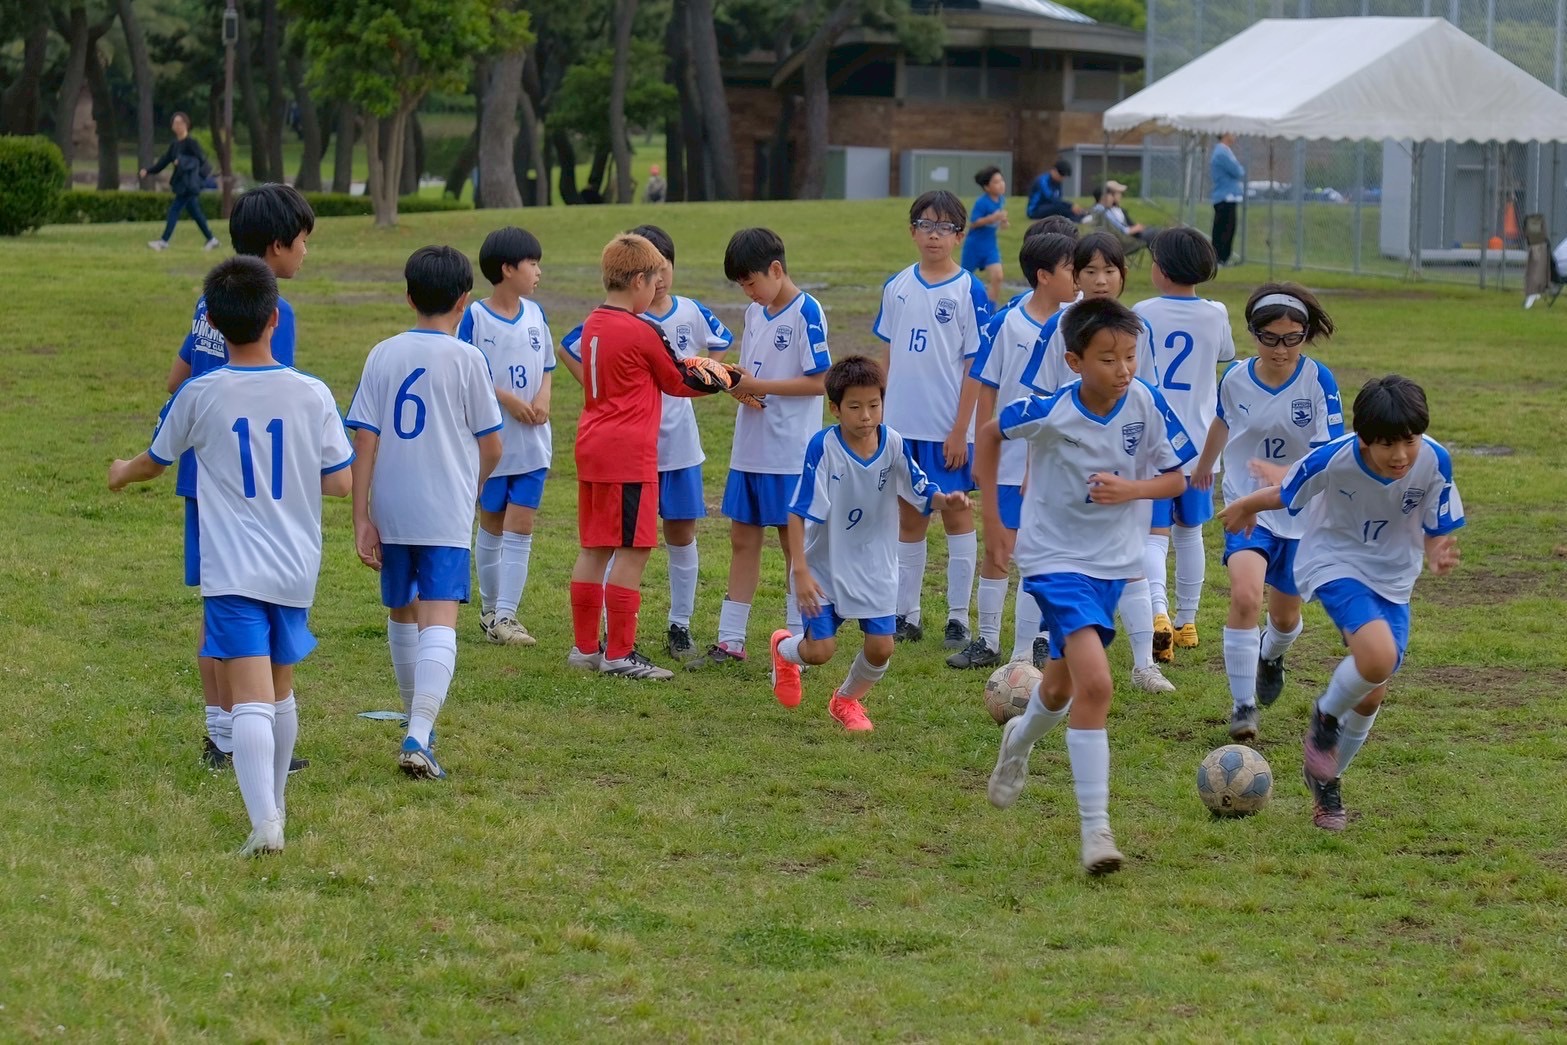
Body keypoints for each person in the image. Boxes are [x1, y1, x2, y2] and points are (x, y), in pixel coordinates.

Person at [108, 256, 354, 855]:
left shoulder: (200, 394)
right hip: (296, 565)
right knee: (280, 687)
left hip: (233, 568)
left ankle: (266, 825)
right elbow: (341, 481)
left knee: (248, 696)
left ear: (212, 326)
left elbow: (153, 462)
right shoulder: (311, 392)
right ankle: (277, 808)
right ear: (275, 318)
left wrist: (120, 474)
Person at [978, 298, 1194, 876]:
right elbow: (990, 435)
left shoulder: (1145, 403)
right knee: (1097, 686)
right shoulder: (1049, 412)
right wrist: (996, 524)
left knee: (1061, 688)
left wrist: (1133, 491)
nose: (1123, 369)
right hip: (1052, 559)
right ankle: (1096, 832)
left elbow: (1179, 477)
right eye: (1108, 359)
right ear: (1074, 361)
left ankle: (1017, 744)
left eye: (1130, 356)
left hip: (1113, 566)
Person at [1218, 375, 1462, 831]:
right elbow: (1286, 492)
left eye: (1409, 441)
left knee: (1373, 692)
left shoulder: (1435, 460)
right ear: (1364, 439)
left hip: (1393, 579)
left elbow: (1436, 523)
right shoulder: (1334, 458)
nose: (1400, 455)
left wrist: (1436, 550)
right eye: (1387, 444)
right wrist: (1248, 505)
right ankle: (1325, 717)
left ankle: (1326, 783)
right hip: (1334, 562)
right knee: (1378, 656)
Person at [163, 183, 315, 771]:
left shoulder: (212, 300)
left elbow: (177, 377)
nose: (305, 254)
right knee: (249, 607)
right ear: (277, 247)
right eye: (302, 244)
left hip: (203, 477)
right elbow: (277, 393)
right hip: (248, 485)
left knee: (217, 604)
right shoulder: (277, 313)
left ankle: (222, 733)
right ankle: (246, 730)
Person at [346, 246, 504, 780]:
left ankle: (418, 723)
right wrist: (473, 486)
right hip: (443, 509)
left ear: (409, 296)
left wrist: (361, 515)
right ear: (465, 300)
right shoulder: (468, 359)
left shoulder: (382, 353)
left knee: (402, 611)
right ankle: (418, 731)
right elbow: (494, 445)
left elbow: (363, 441)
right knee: (440, 614)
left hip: (392, 504)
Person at [564, 233, 747, 680]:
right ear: (640, 280)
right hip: (627, 453)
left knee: (594, 548)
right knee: (634, 549)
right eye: (654, 280)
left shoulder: (593, 323)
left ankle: (585, 648)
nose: (657, 288)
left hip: (592, 445)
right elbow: (678, 378)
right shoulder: (641, 328)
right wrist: (730, 377)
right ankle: (619, 655)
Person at [770, 356, 968, 731]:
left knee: (882, 648)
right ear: (835, 409)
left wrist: (947, 500)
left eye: (874, 405)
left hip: (876, 567)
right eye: (855, 407)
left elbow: (922, 489)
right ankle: (783, 649)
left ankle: (845, 701)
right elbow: (797, 511)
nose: (866, 416)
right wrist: (800, 569)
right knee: (819, 652)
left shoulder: (893, 442)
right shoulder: (823, 447)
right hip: (825, 568)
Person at [1022, 232, 1174, 695]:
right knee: (1056, 563)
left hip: (1124, 464)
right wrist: (1034, 465)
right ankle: (1023, 655)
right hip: (1068, 466)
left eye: (1110, 270)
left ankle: (1145, 664)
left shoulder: (1134, 323)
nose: (1101, 279)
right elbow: (1041, 400)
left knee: (1128, 559)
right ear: (1075, 276)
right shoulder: (1061, 328)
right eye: (1090, 270)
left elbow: (1141, 395)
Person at [1191, 284, 1343, 744]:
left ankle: (1271, 656)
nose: (1281, 349)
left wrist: (1284, 472)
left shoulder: (1319, 382)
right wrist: (1204, 465)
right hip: (1246, 503)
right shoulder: (1235, 377)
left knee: (1284, 619)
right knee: (1244, 598)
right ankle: (1243, 706)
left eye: (1292, 338)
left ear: (1306, 334)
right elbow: (1223, 418)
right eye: (1269, 338)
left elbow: (1330, 453)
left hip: (1300, 510)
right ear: (1253, 333)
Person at [692, 228, 832, 669]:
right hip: (749, 448)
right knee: (741, 539)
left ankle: (795, 644)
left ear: (776, 269)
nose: (748, 293)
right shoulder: (756, 314)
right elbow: (753, 373)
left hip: (789, 453)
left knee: (795, 547)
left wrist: (759, 384)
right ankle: (730, 641)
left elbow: (820, 381)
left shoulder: (806, 311)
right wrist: (734, 381)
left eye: (751, 282)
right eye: (741, 286)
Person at [953, 231, 1078, 670]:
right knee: (998, 550)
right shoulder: (1009, 322)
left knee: (1039, 552)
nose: (1078, 278)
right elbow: (987, 387)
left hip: (1049, 463)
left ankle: (1037, 640)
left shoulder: (1074, 327)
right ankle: (987, 639)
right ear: (1044, 276)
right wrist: (981, 449)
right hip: (1006, 462)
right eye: (1071, 270)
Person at [873, 191, 990, 653]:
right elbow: (888, 351)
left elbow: (974, 365)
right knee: (909, 519)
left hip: (947, 430)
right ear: (912, 231)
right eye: (926, 224)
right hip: (902, 428)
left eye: (945, 227)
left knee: (958, 515)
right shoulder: (897, 285)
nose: (934, 234)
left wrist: (961, 428)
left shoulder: (968, 289)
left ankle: (959, 618)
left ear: (960, 236)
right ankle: (907, 613)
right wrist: (879, 412)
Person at [1131, 227, 1235, 664]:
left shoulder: (1141, 311)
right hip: (1199, 447)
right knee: (1190, 533)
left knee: (1152, 538)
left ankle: (1157, 614)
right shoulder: (1215, 313)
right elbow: (1224, 356)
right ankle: (1187, 622)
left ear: (1162, 268)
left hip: (1153, 443)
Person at [458, 227, 554, 648]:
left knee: (522, 525)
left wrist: (542, 397)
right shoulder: (475, 318)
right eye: (532, 263)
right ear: (507, 269)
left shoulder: (536, 314)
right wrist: (508, 400)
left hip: (533, 444)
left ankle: (507, 615)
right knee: (492, 525)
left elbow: (547, 365)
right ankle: (489, 611)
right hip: (492, 445)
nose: (538, 271)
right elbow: (466, 370)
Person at [141, 112, 220, 252]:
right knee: (196, 213)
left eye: (180, 123)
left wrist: (197, 180)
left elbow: (204, 164)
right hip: (181, 185)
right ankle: (211, 239)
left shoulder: (192, 143)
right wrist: (148, 171)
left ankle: (163, 241)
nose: (178, 126)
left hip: (189, 186)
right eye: (175, 123)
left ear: (187, 125)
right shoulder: (175, 145)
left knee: (174, 210)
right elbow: (164, 161)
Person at [962, 166, 1009, 305]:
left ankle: (990, 310)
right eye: (996, 182)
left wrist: (1003, 221)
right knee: (965, 279)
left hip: (990, 246)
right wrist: (992, 218)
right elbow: (974, 222)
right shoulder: (981, 202)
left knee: (998, 276)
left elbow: (998, 216)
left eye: (1001, 180)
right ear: (987, 187)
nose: (1001, 184)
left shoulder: (1001, 200)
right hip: (974, 246)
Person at [1210, 133, 1246, 265]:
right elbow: (1238, 171)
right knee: (1224, 228)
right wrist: (1239, 169)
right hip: (1225, 196)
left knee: (1228, 228)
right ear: (1225, 134)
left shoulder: (1226, 151)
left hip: (1229, 196)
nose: (1234, 135)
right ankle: (1220, 258)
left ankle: (1222, 258)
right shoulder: (1221, 152)